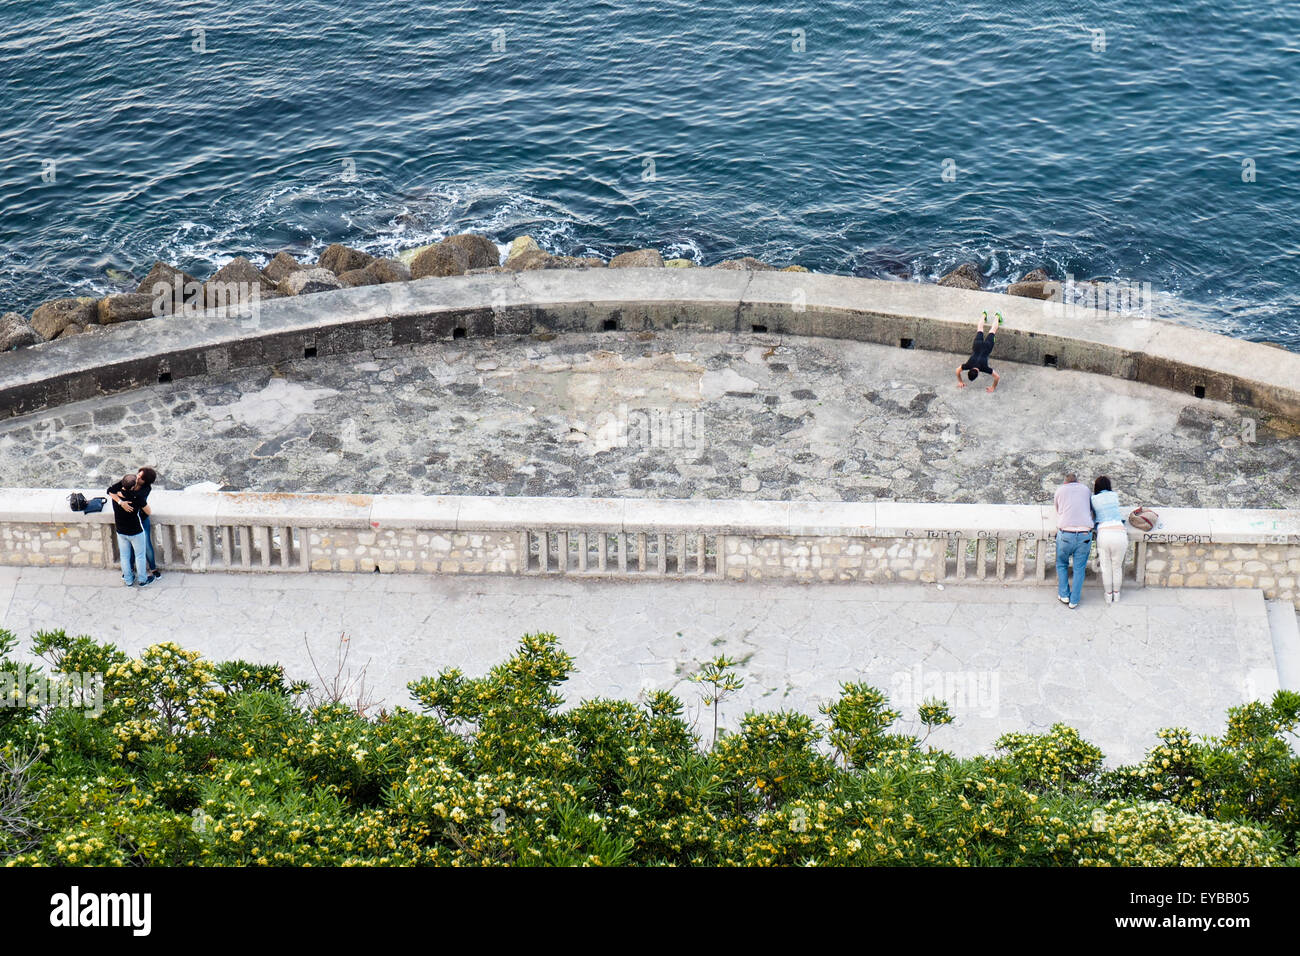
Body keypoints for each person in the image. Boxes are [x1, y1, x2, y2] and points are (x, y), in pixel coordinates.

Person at [109, 467, 160, 580]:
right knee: (130, 548)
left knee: (146, 545)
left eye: (140, 477)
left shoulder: (145, 489)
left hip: (141, 519)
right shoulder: (130, 480)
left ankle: (153, 568)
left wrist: (121, 495)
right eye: (138, 474)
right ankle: (132, 571)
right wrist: (121, 502)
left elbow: (137, 500)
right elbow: (110, 491)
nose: (137, 477)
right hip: (129, 520)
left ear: (145, 481)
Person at [1054, 473, 1092, 608]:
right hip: (1084, 535)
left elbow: (1058, 510)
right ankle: (1074, 600)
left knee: (1061, 564)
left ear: (1065, 483)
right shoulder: (1086, 490)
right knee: (1079, 569)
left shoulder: (1060, 490)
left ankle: (1064, 594)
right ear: (1078, 481)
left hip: (1066, 534)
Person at [1091, 475, 1128, 604]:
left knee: (1106, 567)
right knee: (1117, 567)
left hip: (1104, 533)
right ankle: (1117, 595)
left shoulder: (1093, 498)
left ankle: (1108, 595)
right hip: (1120, 532)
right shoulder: (1114, 496)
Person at [956, 310, 1002, 393]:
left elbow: (997, 377)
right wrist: (960, 381)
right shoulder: (967, 365)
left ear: (977, 374)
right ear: (969, 370)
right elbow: (957, 370)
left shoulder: (984, 368)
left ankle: (997, 316)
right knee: (980, 329)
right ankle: (984, 314)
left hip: (987, 347)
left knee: (993, 330)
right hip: (977, 345)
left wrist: (993, 387)